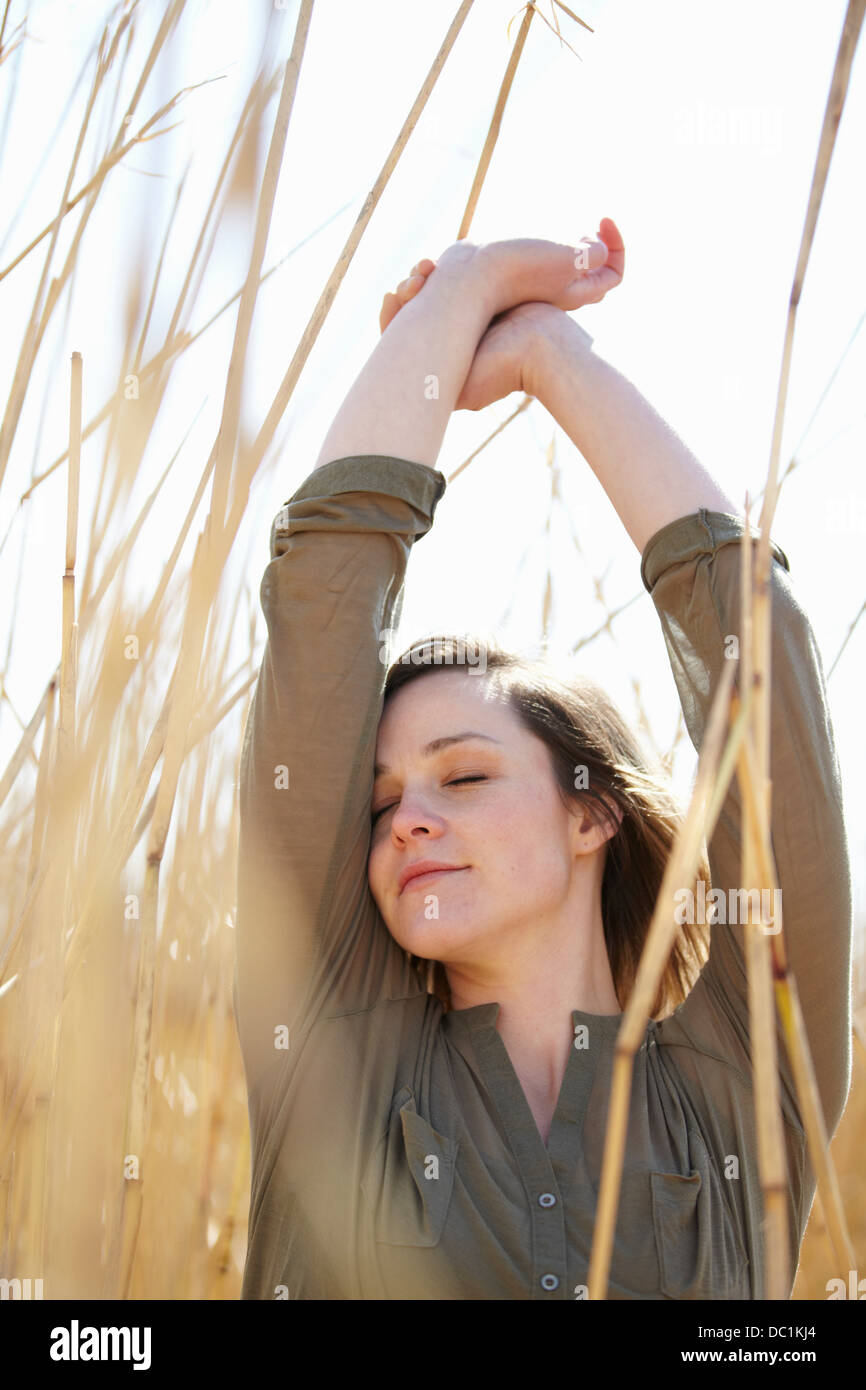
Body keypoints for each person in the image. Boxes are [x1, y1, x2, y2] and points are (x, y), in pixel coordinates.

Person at [234, 222, 852, 1299]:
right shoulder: (336, 1056)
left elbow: (754, 652)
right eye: (378, 806)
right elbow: (320, 597)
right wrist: (464, 289)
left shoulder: (740, 1091)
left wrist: (553, 360)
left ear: (590, 812)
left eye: (462, 774)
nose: (405, 820)